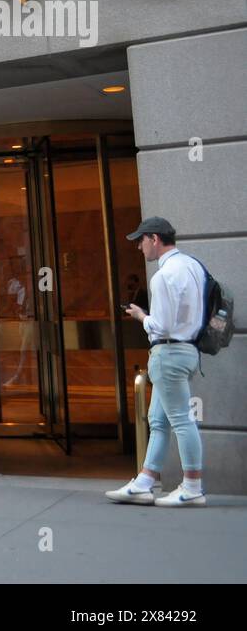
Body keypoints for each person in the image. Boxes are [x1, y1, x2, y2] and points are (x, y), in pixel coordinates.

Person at [106, 216, 207, 507]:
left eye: (141, 240)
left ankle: (192, 487)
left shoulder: (163, 276)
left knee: (180, 421)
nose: (139, 247)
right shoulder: (192, 266)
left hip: (169, 353)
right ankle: (145, 482)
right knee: (159, 420)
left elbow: (160, 325)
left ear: (155, 239)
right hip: (189, 351)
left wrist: (141, 316)